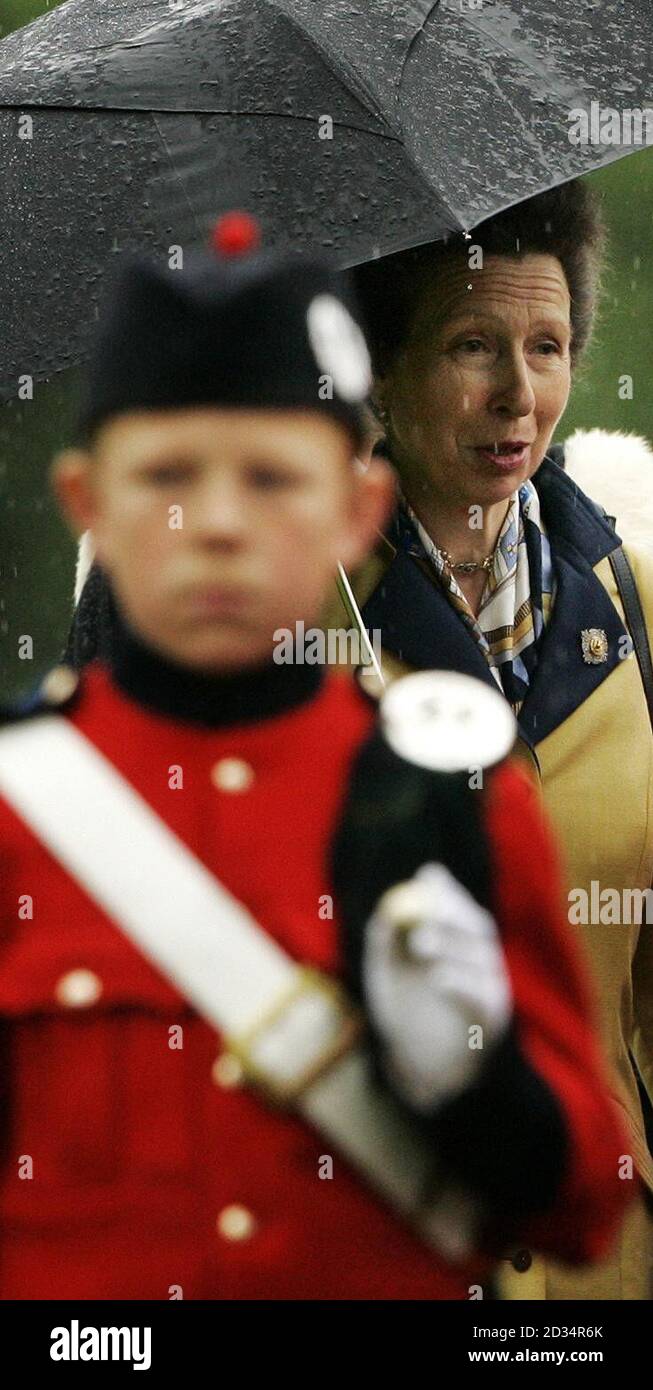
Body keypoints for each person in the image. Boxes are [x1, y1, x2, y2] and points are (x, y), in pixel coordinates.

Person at [0, 212, 631, 1301]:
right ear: (87, 504)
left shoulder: (447, 796)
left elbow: (578, 1202)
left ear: (356, 507)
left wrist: (475, 1082)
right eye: (169, 476)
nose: (220, 524)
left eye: (273, 478)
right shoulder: (25, 801)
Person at [330, 178, 653, 1300]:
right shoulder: (303, 627)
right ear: (380, 370)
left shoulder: (632, 600)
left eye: (548, 345)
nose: (518, 394)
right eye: (473, 345)